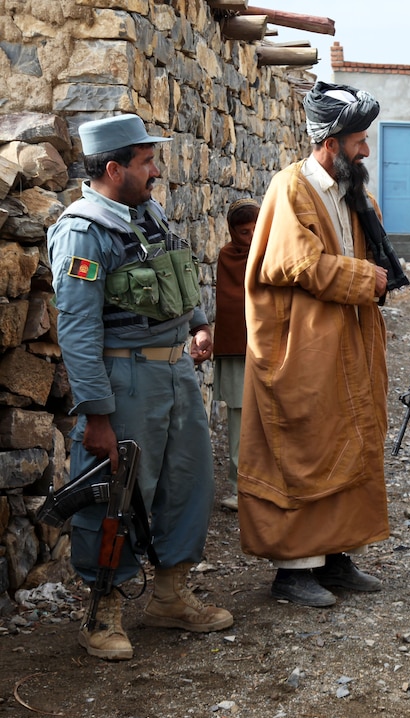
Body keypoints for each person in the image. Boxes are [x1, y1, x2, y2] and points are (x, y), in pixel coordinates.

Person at [48, 113, 233, 661]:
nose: (156, 171)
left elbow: (174, 271)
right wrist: (97, 414)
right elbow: (78, 330)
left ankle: (170, 597)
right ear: (114, 168)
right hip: (124, 380)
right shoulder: (83, 231)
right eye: (146, 161)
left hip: (175, 371)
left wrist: (198, 322)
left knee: (187, 481)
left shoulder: (145, 211)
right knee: (115, 496)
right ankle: (102, 612)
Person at [240, 82, 406, 608]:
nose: (366, 151)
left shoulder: (354, 194)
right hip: (302, 346)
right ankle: (293, 570)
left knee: (351, 437)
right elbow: (298, 264)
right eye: (359, 140)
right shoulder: (289, 189)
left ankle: (336, 557)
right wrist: (367, 280)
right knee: (306, 445)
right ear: (330, 143)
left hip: (348, 343)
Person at [212, 197, 260, 512]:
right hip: (236, 351)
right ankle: (240, 487)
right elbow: (231, 306)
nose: (253, 236)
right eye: (245, 232)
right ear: (232, 231)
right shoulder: (228, 258)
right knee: (239, 420)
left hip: (271, 350)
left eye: (258, 228)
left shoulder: (274, 253)